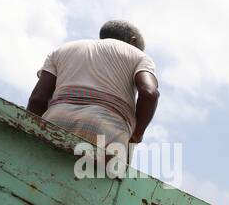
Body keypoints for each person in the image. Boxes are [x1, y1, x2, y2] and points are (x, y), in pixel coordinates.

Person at [27, 20, 159, 163]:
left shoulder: (62, 50)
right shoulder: (140, 57)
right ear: (132, 41)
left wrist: (29, 131)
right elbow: (149, 93)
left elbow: (37, 99)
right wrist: (137, 135)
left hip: (54, 122)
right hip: (106, 132)